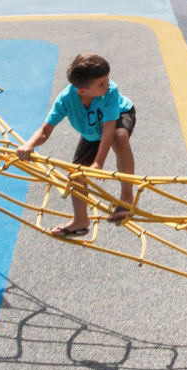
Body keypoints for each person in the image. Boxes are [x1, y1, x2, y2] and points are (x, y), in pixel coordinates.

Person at [16, 53, 137, 237]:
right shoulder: (65, 100)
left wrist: (98, 163)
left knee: (119, 138)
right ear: (82, 91)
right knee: (75, 175)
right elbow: (45, 130)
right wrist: (29, 144)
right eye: (101, 84)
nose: (108, 84)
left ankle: (126, 197)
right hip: (91, 132)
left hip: (119, 117)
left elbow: (108, 129)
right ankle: (80, 220)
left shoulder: (111, 92)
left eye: (106, 80)